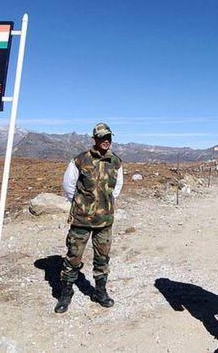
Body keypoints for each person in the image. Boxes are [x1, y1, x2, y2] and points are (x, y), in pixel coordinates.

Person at [54, 122, 124, 314]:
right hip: (81, 220)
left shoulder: (116, 162)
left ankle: (100, 292)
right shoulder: (80, 160)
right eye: (102, 137)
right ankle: (65, 294)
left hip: (105, 221)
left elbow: (116, 187)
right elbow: (69, 186)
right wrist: (81, 204)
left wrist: (105, 203)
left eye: (108, 137)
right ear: (95, 139)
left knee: (102, 257)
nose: (106, 141)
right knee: (73, 257)